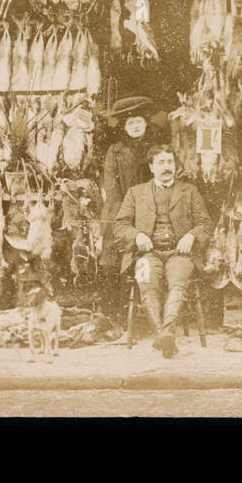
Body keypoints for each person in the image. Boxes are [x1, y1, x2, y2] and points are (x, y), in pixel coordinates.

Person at [112, 144, 212, 359]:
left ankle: (164, 334)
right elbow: (119, 225)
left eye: (170, 162)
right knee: (146, 283)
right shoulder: (136, 193)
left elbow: (205, 223)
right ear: (151, 167)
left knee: (178, 284)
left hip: (179, 254)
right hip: (146, 255)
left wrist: (191, 235)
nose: (167, 167)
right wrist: (137, 235)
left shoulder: (189, 190)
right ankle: (164, 334)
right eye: (161, 163)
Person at [98, 96, 154, 319]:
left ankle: (149, 313)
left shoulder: (156, 149)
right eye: (131, 123)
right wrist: (127, 213)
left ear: (146, 123)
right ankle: (116, 316)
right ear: (124, 126)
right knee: (115, 260)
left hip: (152, 211)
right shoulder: (116, 151)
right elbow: (111, 186)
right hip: (120, 210)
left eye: (139, 121)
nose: (135, 126)